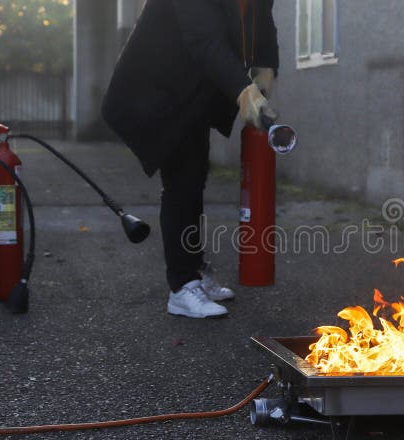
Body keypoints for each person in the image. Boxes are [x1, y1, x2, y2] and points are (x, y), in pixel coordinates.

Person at [101, 0, 279, 318]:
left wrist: (266, 68)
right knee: (182, 178)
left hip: (193, 88)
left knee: (194, 174)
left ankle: (193, 269)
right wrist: (242, 90)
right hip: (155, 88)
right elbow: (204, 40)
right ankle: (182, 287)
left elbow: (262, 19)